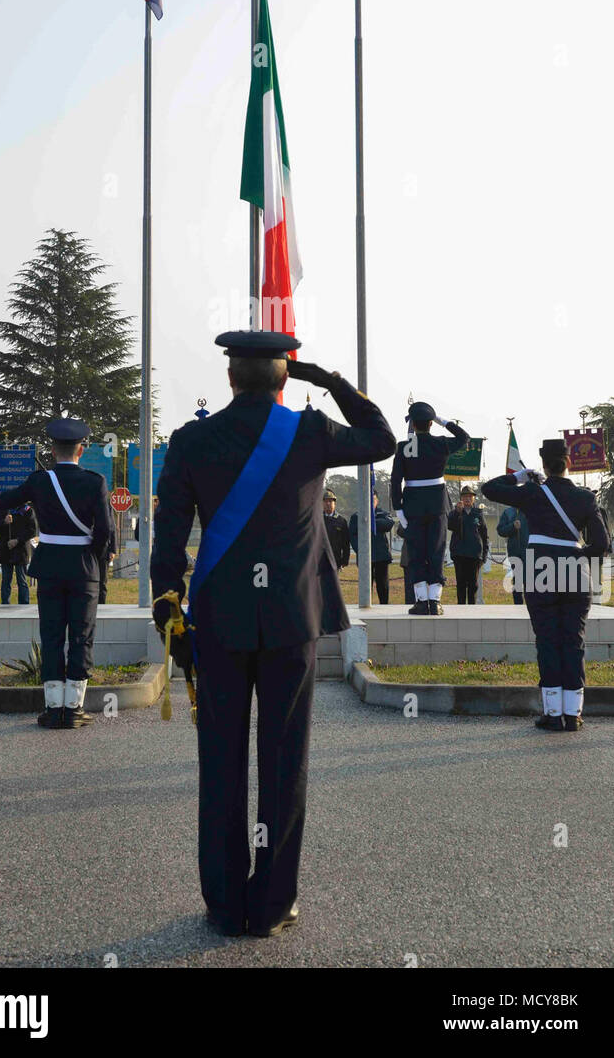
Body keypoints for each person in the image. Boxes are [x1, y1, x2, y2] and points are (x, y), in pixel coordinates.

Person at [151, 329, 396, 939]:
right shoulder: (310, 431)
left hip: (219, 618)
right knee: (285, 759)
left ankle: (224, 902)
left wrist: (168, 608)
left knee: (220, 760)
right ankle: (273, 902)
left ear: (230, 378)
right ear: (286, 378)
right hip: (292, 619)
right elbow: (383, 439)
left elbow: (169, 534)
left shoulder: (191, 440)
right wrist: (331, 380)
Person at [482, 440, 610, 732]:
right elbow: (602, 545)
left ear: (544, 465)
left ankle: (552, 714)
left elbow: (488, 489)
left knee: (548, 641)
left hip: (540, 571)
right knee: (574, 641)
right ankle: (573, 714)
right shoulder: (585, 498)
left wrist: (520, 476)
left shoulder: (533, 493)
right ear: (569, 463)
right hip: (575, 573)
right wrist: (578, 553)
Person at [0, 419, 111, 729]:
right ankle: (73, 709)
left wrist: (10, 495)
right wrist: (93, 558)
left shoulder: (40, 481)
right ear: (81, 450)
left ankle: (52, 708)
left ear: (51, 450)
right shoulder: (95, 481)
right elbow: (106, 531)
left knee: (51, 635)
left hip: (49, 568)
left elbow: (6, 500)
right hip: (84, 569)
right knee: (81, 636)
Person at [391, 402, 469, 615]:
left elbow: (395, 480)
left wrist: (398, 509)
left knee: (417, 553)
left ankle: (421, 601)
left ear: (413, 425)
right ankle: (435, 602)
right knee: (436, 551)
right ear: (430, 424)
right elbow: (464, 438)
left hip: (413, 506)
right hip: (437, 505)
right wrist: (443, 420)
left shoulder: (404, 447)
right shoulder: (441, 443)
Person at [349, 491, 395, 603]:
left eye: (373, 500)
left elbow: (389, 524)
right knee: (365, 586)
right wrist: (360, 550)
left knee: (382, 586)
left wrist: (369, 521)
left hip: (381, 556)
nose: (370, 502)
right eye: (368, 500)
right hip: (365, 556)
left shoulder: (382, 514)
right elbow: (352, 536)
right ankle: (365, 605)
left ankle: (384, 607)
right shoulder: (356, 516)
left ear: (377, 501)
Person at [447, 486, 489, 605]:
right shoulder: (454, 513)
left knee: (473, 585)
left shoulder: (478, 513)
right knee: (460, 583)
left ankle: (472, 609)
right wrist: (457, 512)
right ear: (461, 499)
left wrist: (484, 555)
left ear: (474, 499)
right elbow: (450, 526)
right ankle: (460, 608)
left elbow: (484, 535)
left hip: (474, 555)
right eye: (465, 497)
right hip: (459, 554)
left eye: (470, 497)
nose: (467, 499)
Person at [0, 502, 37, 605]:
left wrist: (17, 541)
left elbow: (32, 531)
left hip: (21, 550)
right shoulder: (4, 511)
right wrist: (4, 522)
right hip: (6, 550)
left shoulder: (27, 511)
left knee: (22, 580)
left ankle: (24, 605)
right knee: (6, 581)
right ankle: (5, 605)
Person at [497, 503, 529, 604]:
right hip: (515, 552)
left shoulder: (531, 511)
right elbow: (500, 530)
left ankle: (532, 607)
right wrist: (512, 526)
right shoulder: (508, 512)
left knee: (531, 581)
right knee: (518, 580)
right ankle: (518, 606)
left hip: (530, 551)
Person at [322, 489, 350, 570]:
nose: (328, 504)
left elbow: (346, 543)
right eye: (326, 501)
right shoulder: (317, 519)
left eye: (330, 501)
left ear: (335, 503)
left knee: (333, 582)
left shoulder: (341, 521)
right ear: (322, 503)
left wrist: (345, 560)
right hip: (319, 560)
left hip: (335, 560)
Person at [98, 495, 117, 605]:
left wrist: (113, 549)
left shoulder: (106, 505)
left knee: (102, 582)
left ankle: (101, 606)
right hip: (86, 549)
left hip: (103, 550)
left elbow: (112, 528)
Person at [397, 522, 415, 604]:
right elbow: (400, 530)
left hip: (424, 556)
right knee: (409, 588)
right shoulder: (406, 513)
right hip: (408, 556)